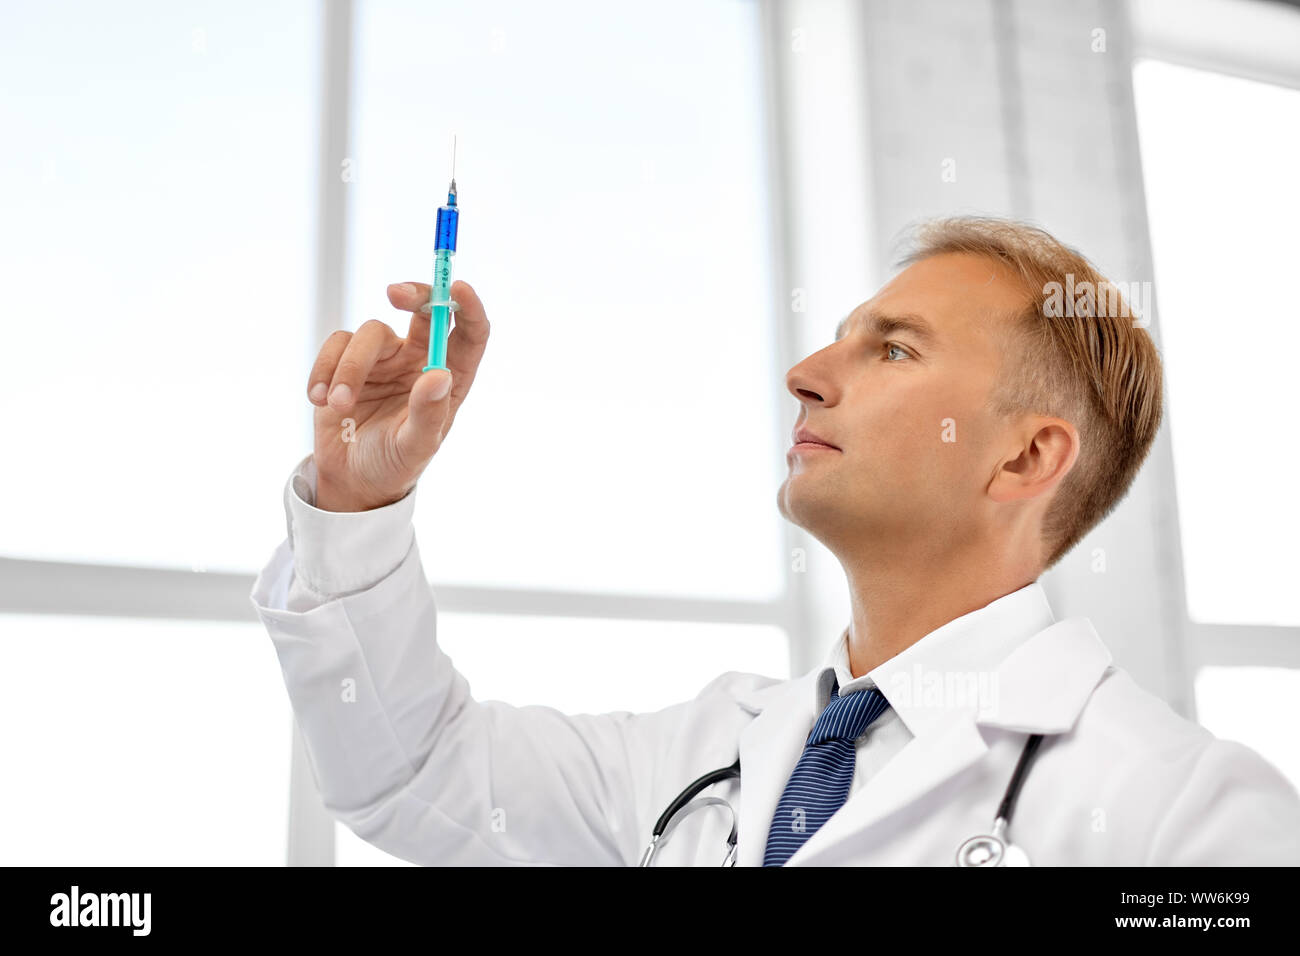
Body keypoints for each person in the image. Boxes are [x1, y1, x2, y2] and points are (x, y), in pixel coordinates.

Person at [250, 216, 1300, 866]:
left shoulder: (1185, 814)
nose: (803, 370)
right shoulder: (703, 754)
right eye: (836, 336)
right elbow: (410, 773)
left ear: (1024, 461)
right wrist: (354, 498)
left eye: (890, 348)